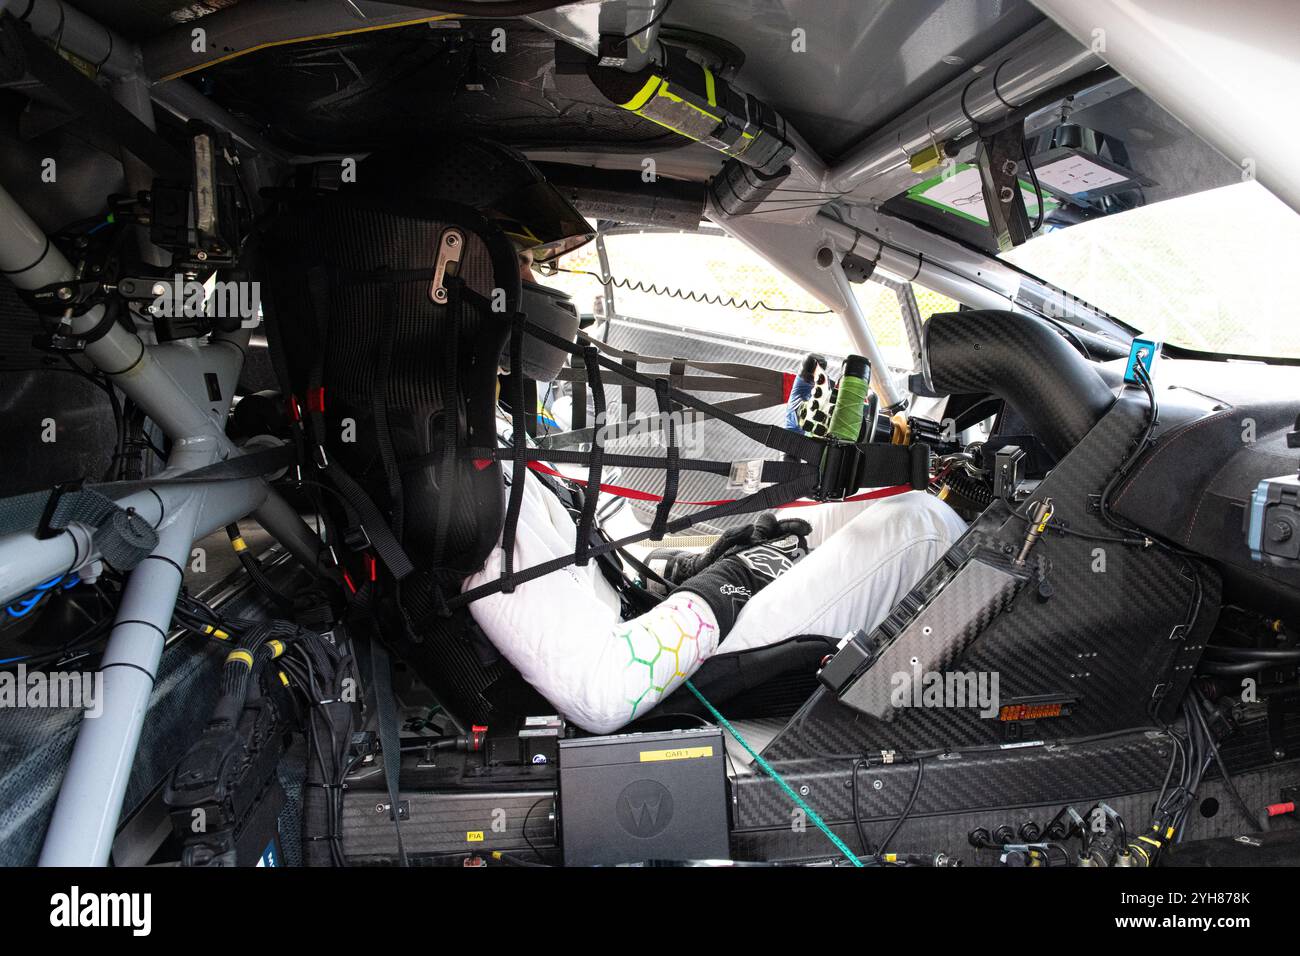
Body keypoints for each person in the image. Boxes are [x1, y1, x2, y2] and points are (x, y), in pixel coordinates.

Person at [362, 141, 968, 733]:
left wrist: (714, 559)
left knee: (865, 511)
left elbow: (582, 587)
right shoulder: (454, 481)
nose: (539, 286)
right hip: (657, 680)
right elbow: (602, 691)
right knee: (920, 526)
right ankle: (969, 719)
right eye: (519, 261)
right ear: (445, 277)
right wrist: (727, 582)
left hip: (647, 622)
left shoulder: (456, 432)